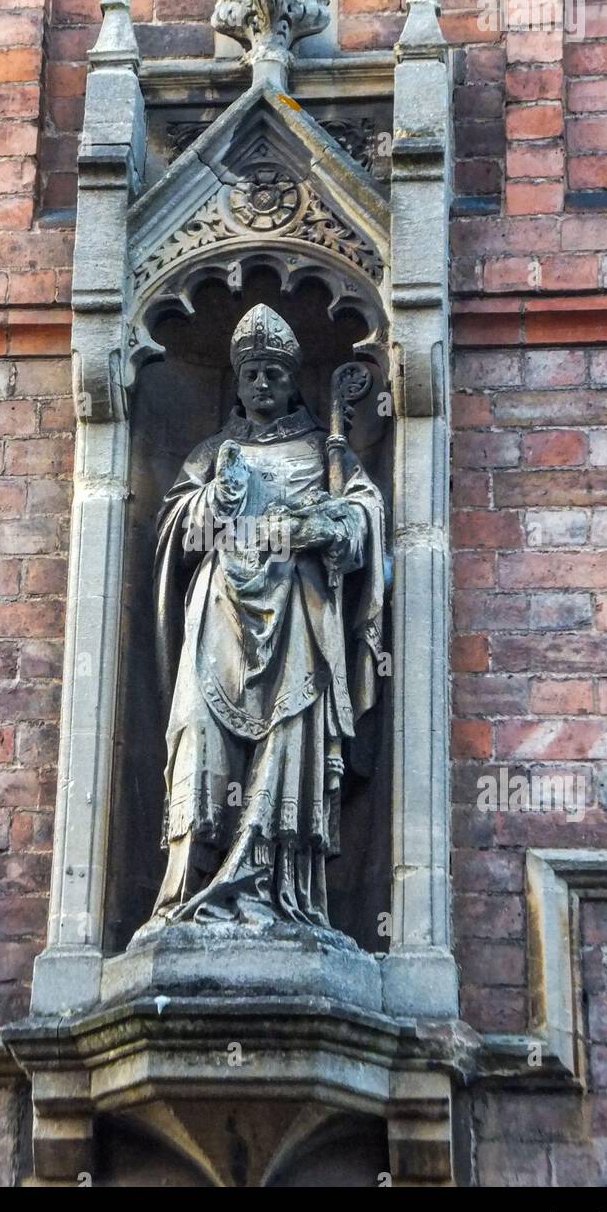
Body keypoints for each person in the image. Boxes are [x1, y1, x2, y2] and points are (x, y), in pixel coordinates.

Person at [144, 303, 386, 932]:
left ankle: (281, 899)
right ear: (238, 377)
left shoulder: (322, 452)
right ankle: (187, 891)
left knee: (291, 738)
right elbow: (172, 530)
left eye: (274, 374)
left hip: (300, 618)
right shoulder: (211, 453)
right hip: (221, 610)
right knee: (200, 733)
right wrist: (210, 501)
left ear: (292, 378)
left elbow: (364, 513)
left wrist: (332, 524)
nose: (261, 384)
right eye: (250, 373)